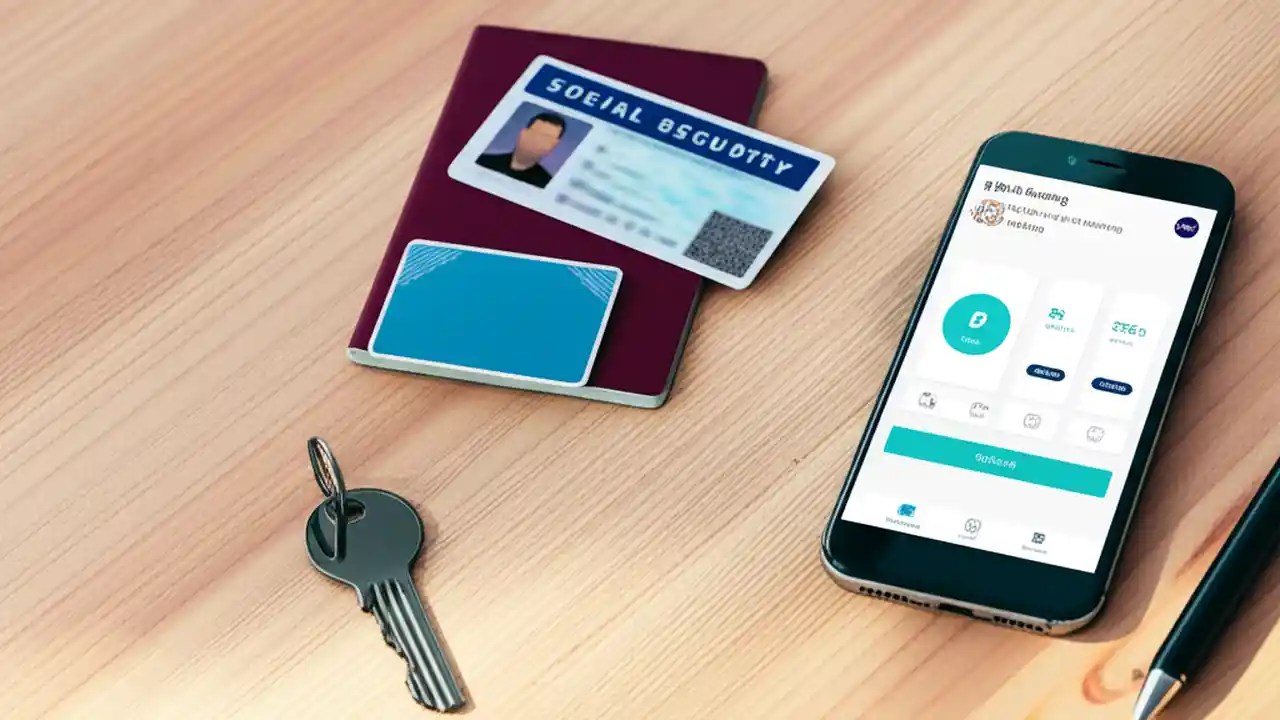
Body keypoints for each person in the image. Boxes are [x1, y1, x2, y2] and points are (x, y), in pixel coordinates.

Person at [476, 112, 567, 188]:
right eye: (534, 134)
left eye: (545, 138)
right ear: (523, 133)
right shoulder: (482, 161)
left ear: (553, 145)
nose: (536, 141)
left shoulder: (545, 185)